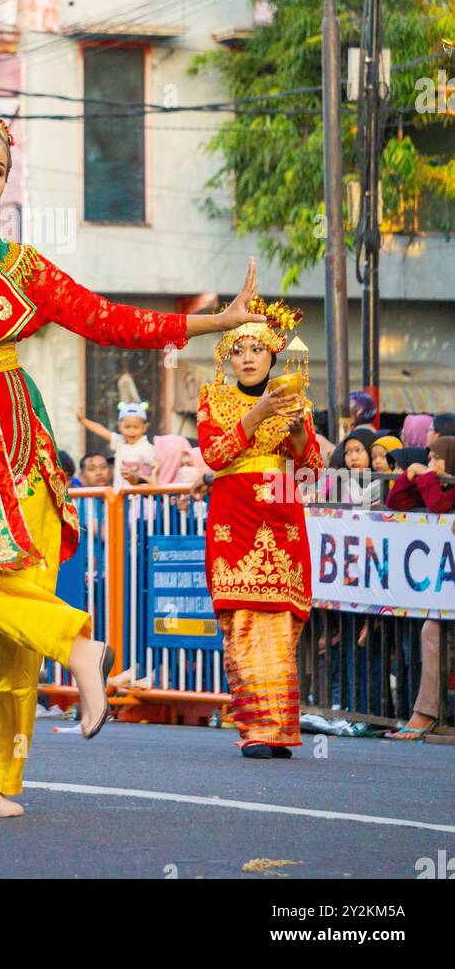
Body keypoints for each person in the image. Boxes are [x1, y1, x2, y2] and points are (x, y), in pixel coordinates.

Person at [0, 103, 266, 817]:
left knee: (12, 638)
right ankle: (78, 643)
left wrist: (214, 321)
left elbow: (110, 320)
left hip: (17, 444)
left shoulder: (24, 267)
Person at [198, 297, 322, 758]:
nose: (247, 358)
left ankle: (281, 730)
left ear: (273, 355)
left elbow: (311, 473)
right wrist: (258, 413)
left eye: (256, 349)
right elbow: (215, 456)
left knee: (280, 625)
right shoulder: (213, 400)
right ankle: (256, 729)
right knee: (245, 622)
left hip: (283, 523)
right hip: (235, 522)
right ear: (228, 359)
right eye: (238, 350)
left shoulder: (299, 403)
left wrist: (296, 434)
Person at [386, 437, 455, 741]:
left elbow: (439, 505)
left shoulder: (444, 486)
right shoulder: (434, 483)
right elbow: (396, 504)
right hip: (445, 597)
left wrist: (426, 477)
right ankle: (425, 712)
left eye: (436, 459)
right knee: (431, 630)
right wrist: (407, 477)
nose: (431, 465)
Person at [76, 401, 157, 489]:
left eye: (136, 427)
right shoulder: (120, 442)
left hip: (137, 497)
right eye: (127, 427)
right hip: (119, 494)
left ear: (144, 427)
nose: (131, 431)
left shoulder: (146, 448)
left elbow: (155, 470)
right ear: (119, 426)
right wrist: (83, 420)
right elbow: (102, 431)